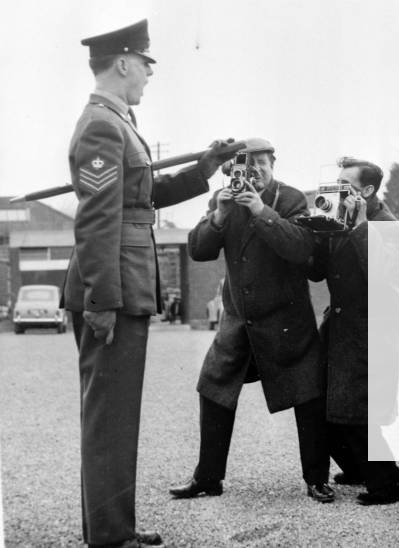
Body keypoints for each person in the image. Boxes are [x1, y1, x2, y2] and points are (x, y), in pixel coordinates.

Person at [64, 19, 233, 548]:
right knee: (109, 419)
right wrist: (101, 298)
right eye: (144, 65)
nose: (147, 76)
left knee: (116, 417)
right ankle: (111, 538)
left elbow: (143, 196)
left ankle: (114, 529)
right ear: (121, 63)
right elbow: (95, 219)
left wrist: (204, 167)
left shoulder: (119, 122)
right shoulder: (101, 125)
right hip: (112, 287)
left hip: (124, 282)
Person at [170, 138, 335, 504]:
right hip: (239, 321)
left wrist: (262, 211)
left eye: (262, 162)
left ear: (273, 164)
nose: (254, 170)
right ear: (232, 168)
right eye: (246, 163)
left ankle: (317, 479)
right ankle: (207, 478)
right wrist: (218, 216)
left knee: (307, 396)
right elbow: (198, 249)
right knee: (212, 389)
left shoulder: (290, 199)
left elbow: (301, 248)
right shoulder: (224, 199)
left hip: (285, 321)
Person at [308, 157, 399, 505]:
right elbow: (318, 273)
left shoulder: (387, 225)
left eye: (347, 186)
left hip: (372, 325)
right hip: (342, 323)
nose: (339, 192)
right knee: (323, 402)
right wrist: (319, 231)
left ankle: (390, 485)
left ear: (367, 191)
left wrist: (361, 225)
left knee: (355, 410)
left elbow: (379, 275)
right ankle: (357, 468)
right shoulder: (342, 219)